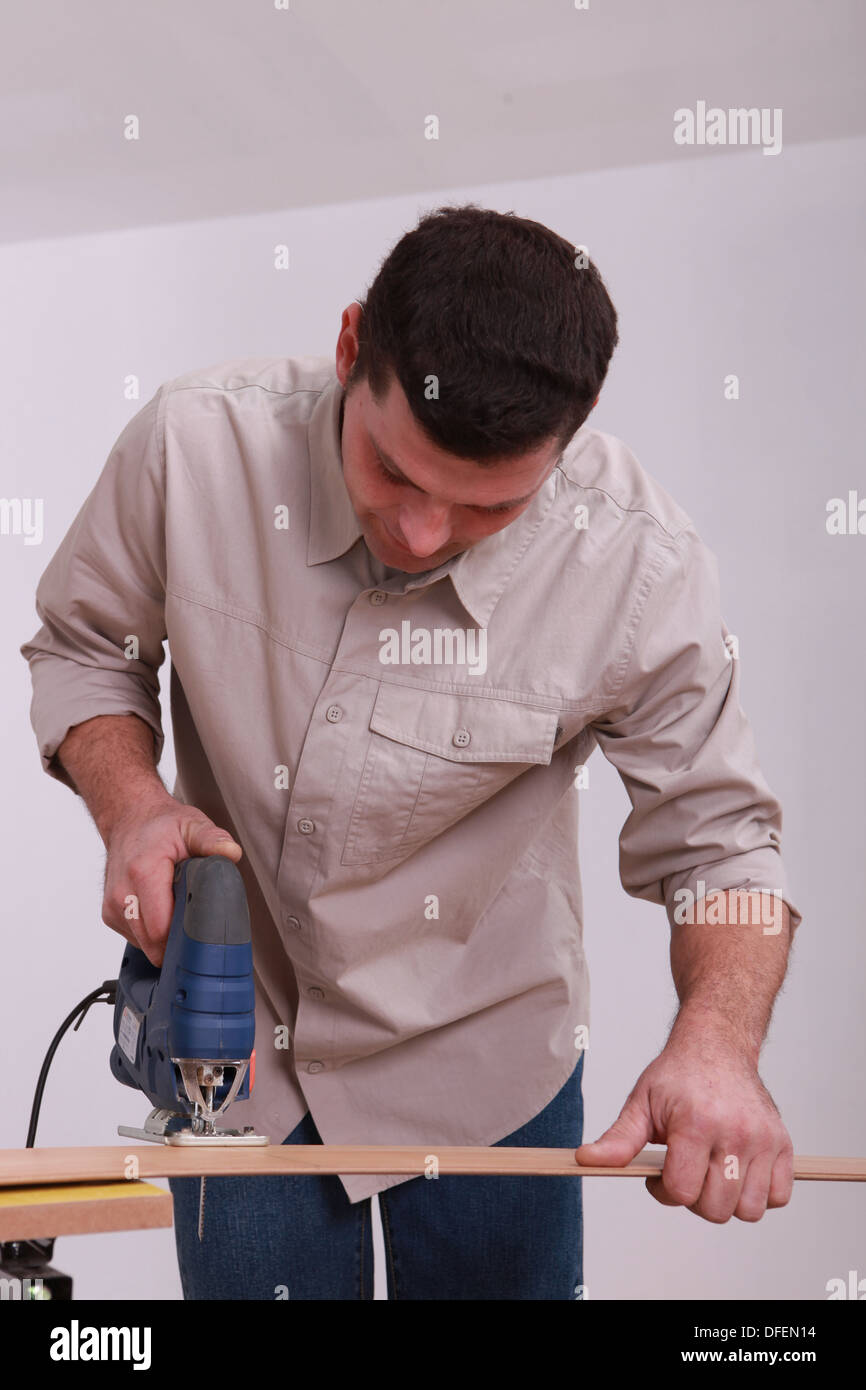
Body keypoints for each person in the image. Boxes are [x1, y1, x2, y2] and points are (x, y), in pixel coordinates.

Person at [20, 204, 801, 1301]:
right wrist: (132, 804)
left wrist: (716, 1041)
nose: (423, 534)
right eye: (392, 473)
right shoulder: (191, 448)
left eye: (488, 507)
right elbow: (87, 642)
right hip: (237, 1056)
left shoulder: (636, 565)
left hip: (487, 1060)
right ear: (349, 349)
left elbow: (720, 850)